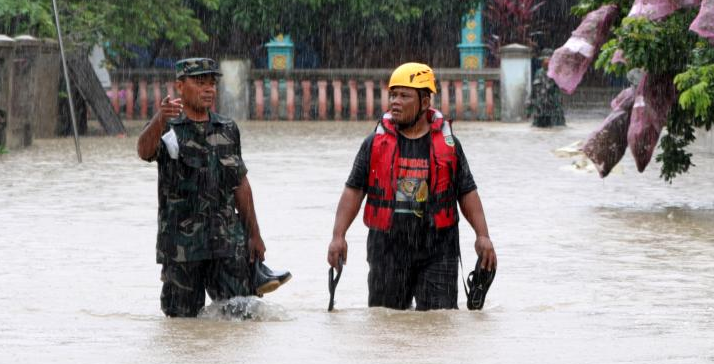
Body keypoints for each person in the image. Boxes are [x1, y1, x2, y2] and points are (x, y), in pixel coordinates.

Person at [326, 62, 497, 310]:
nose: (395, 102)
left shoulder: (449, 145)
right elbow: (353, 190)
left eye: (404, 96)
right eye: (393, 95)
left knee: (439, 323)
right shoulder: (374, 144)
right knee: (386, 321)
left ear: (425, 102)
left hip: (438, 252)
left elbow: (467, 192)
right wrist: (338, 236)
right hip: (387, 251)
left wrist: (482, 236)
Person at [137, 57, 289, 317]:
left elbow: (241, 185)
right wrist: (160, 118)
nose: (208, 89)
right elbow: (144, 151)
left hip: (227, 243)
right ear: (180, 86)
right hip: (182, 248)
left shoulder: (227, 129)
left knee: (242, 316)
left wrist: (254, 234)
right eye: (200, 83)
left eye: (211, 83)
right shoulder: (167, 128)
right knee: (182, 325)